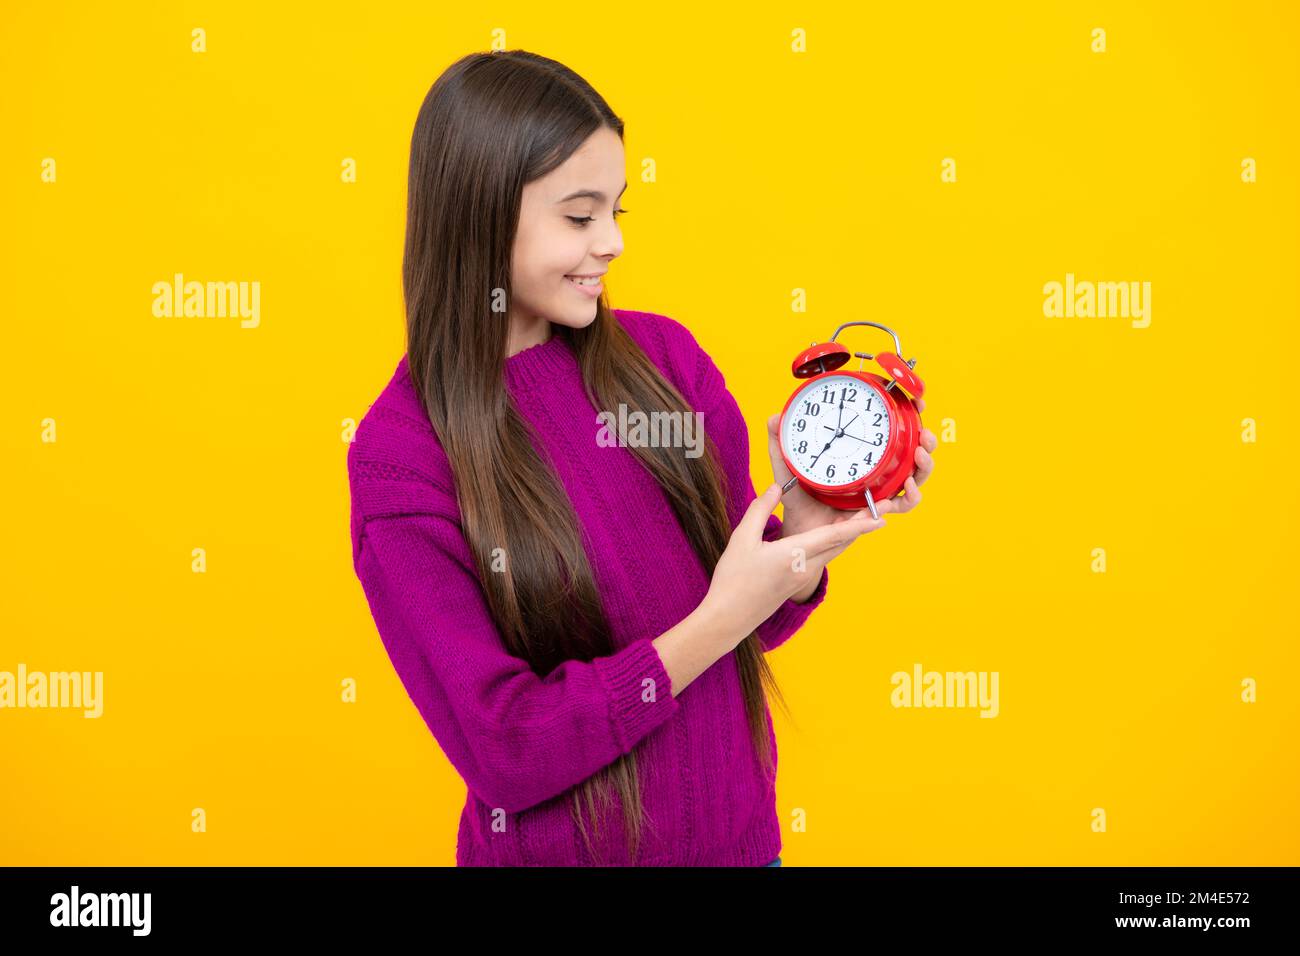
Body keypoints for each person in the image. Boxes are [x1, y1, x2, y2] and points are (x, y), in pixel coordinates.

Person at [346, 49, 937, 866]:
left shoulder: (665, 366)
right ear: (476, 214)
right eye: (581, 216)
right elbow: (507, 751)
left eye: (619, 209)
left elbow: (735, 632)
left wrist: (800, 531)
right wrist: (722, 615)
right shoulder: (404, 458)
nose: (615, 242)